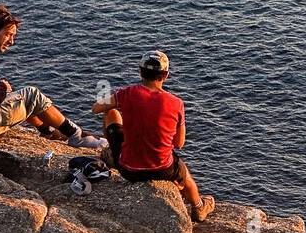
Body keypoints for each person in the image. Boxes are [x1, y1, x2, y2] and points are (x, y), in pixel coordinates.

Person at [0, 5, 106, 149]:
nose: (11, 41)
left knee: (19, 99)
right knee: (31, 94)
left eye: (13, 36)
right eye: (8, 34)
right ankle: (76, 135)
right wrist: (3, 87)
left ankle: (48, 132)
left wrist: (0, 88)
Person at [91, 50, 215, 222]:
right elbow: (179, 143)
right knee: (184, 173)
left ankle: (113, 152)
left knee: (110, 112)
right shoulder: (176, 103)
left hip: (128, 169)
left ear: (140, 72)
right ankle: (199, 207)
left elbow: (96, 108)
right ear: (166, 75)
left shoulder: (127, 93)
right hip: (162, 169)